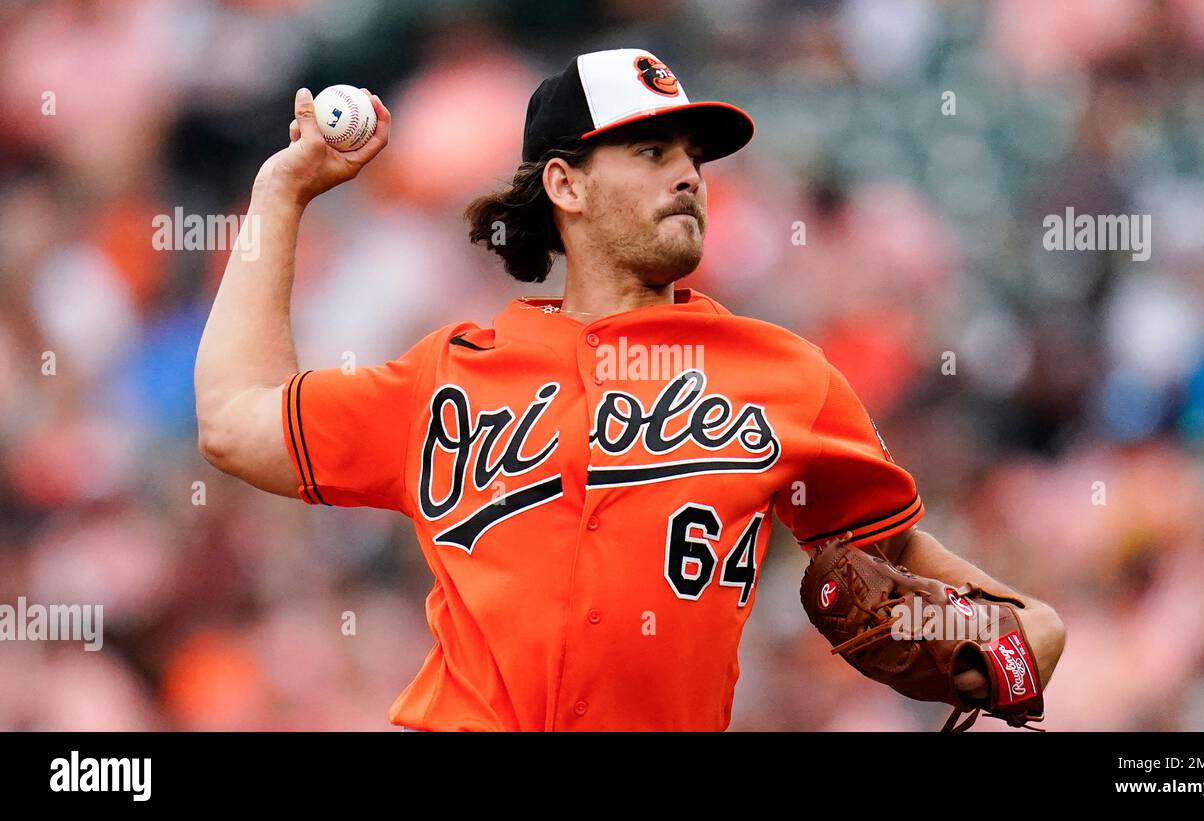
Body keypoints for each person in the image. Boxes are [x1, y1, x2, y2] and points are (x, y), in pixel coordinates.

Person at [194, 48, 1066, 731]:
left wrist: (1004, 644)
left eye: (693, 157)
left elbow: (1005, 620)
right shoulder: (448, 375)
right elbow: (234, 419)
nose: (688, 174)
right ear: (564, 184)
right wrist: (281, 191)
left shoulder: (785, 376)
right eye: (651, 151)